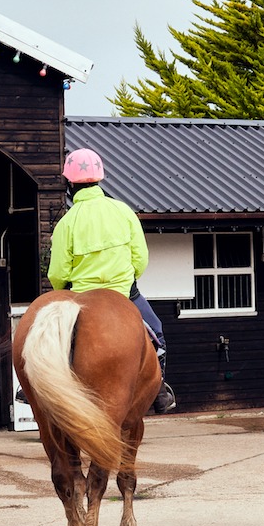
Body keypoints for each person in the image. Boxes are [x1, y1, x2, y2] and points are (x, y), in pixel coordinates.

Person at [47, 148, 177, 414]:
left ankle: (27, 389)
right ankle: (159, 391)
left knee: (50, 344)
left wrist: (64, 291)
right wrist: (127, 281)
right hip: (123, 294)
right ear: (100, 178)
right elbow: (140, 257)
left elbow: (57, 273)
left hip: (81, 299)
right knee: (158, 333)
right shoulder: (123, 211)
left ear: (70, 183)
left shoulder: (66, 222)